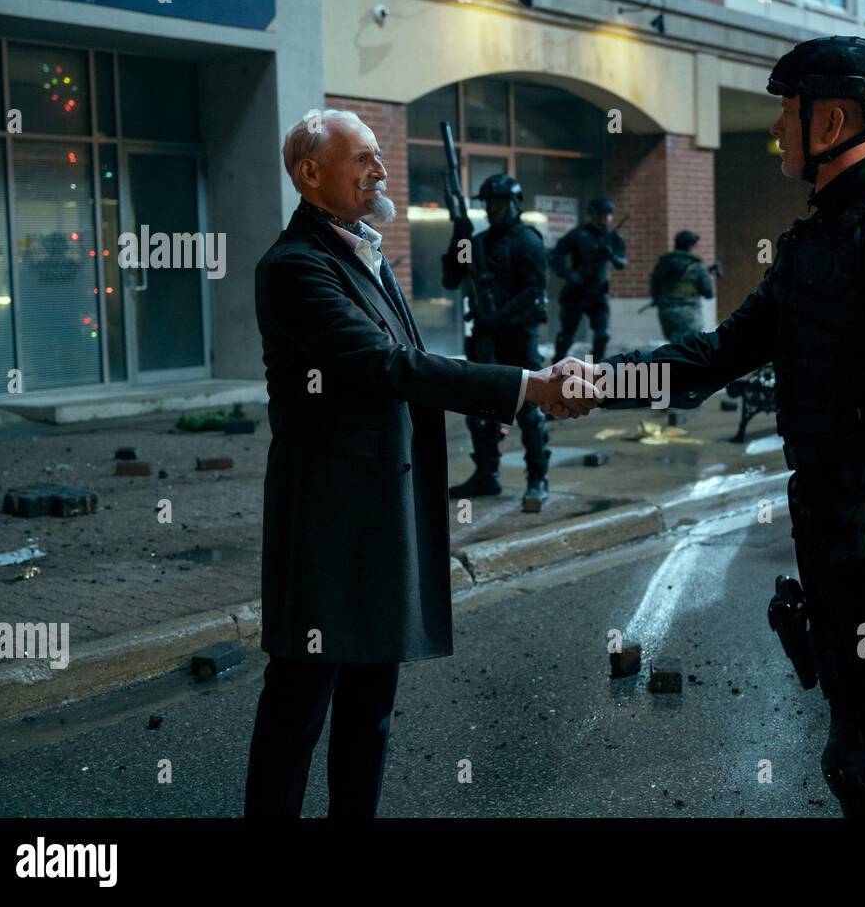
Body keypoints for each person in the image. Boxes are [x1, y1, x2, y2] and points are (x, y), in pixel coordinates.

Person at [584, 37, 865, 817]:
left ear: (831, 119)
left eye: (785, 111)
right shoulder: (811, 243)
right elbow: (718, 353)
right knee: (854, 755)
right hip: (837, 531)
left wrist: (862, 488)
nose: (776, 128)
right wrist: (604, 380)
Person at [245, 109, 596, 818]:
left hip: (383, 509)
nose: (380, 169)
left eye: (380, 155)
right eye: (363, 157)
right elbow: (389, 364)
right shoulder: (293, 267)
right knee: (299, 706)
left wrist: (519, 380)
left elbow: (407, 363)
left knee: (372, 705)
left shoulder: (360, 251)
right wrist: (526, 386)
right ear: (310, 174)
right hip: (328, 519)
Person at [442, 174, 552, 511]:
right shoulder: (478, 241)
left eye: (499, 203)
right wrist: (459, 237)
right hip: (485, 338)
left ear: (516, 204)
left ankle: (537, 480)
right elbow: (452, 278)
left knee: (528, 409)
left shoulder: (527, 240)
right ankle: (486, 474)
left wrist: (499, 316)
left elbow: (535, 290)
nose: (492, 209)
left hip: (517, 337)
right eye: (488, 203)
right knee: (480, 409)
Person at [551, 196, 626, 362]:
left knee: (602, 335)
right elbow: (556, 255)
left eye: (608, 215)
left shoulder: (613, 237)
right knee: (566, 336)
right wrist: (568, 274)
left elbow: (622, 262)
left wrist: (611, 254)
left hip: (597, 293)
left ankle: (595, 366)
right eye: (601, 215)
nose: (605, 219)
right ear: (592, 215)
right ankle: (555, 365)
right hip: (576, 292)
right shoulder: (578, 234)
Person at [649, 229, 716, 343]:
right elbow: (708, 293)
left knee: (674, 346)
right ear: (690, 246)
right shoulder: (697, 266)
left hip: (667, 313)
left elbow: (654, 284)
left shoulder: (664, 262)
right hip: (690, 315)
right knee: (690, 348)